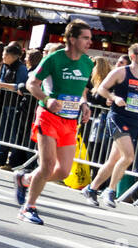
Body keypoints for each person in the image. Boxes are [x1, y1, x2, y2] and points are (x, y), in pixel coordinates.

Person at [14, 20, 95, 225]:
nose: (89, 42)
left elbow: (82, 90)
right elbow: (32, 83)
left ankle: (25, 180)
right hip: (48, 117)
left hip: (70, 122)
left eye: (89, 38)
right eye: (85, 38)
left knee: (63, 171)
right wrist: (46, 99)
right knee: (48, 165)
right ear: (72, 39)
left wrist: (84, 105)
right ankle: (28, 207)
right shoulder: (54, 59)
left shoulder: (87, 63)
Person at [83, 43, 138, 207]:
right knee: (128, 156)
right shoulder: (121, 72)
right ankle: (110, 190)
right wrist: (114, 97)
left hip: (134, 120)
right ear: (133, 56)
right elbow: (101, 89)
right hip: (118, 117)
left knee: (113, 159)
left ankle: (92, 188)